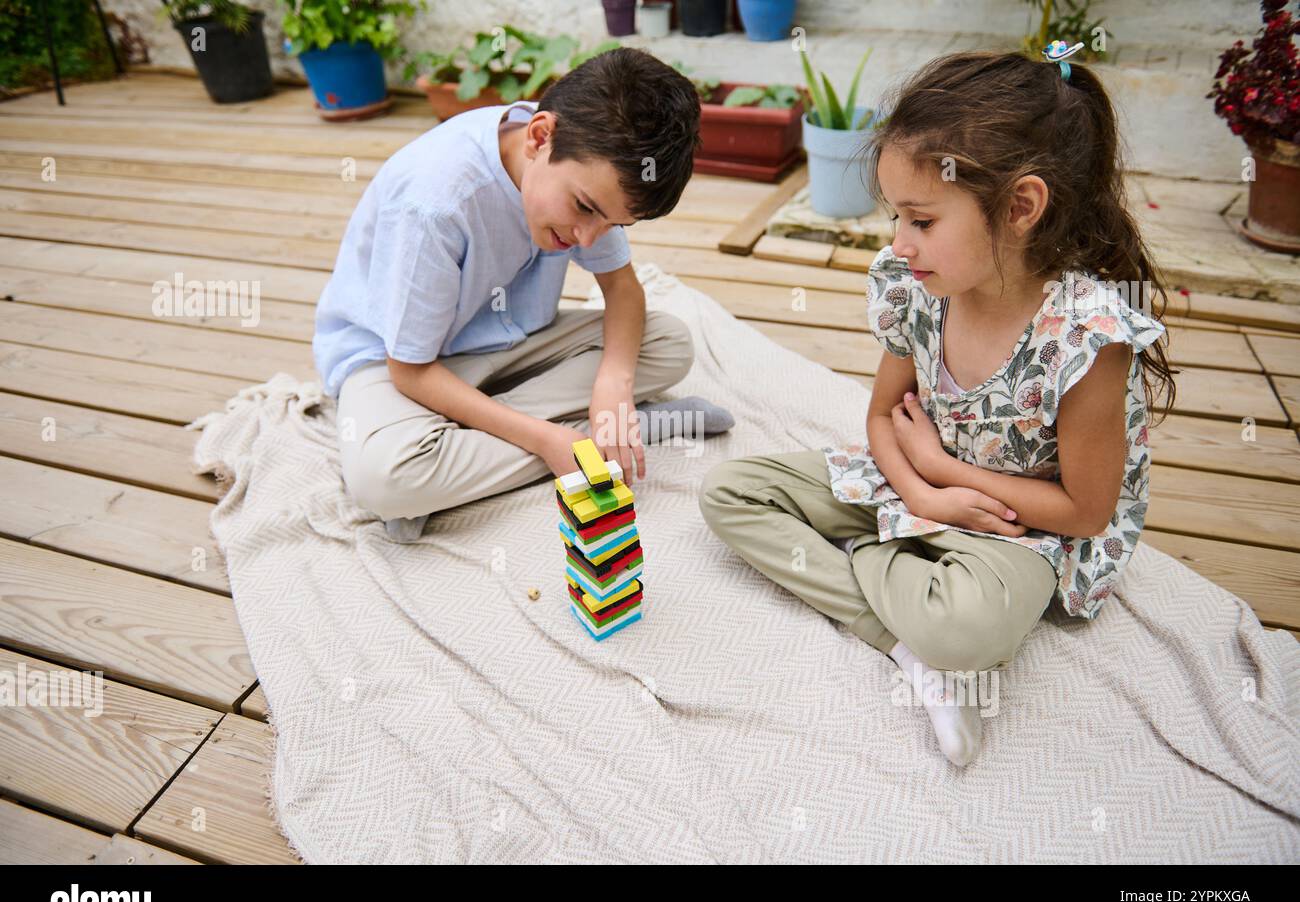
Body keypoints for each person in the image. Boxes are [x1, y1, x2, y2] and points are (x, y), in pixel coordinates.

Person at [699, 49, 1177, 767]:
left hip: (1014, 533)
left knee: (965, 632)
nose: (899, 242)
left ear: (1020, 208)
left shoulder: (1087, 337)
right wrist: (922, 487)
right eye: (897, 216)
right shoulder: (919, 285)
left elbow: (1085, 512)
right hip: (911, 487)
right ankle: (903, 641)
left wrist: (946, 479)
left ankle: (889, 585)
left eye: (921, 219)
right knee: (729, 493)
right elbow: (881, 418)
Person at [314, 48, 733, 542]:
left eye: (612, 223)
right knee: (384, 479)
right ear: (540, 137)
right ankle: (588, 438)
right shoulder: (434, 203)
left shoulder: (586, 156)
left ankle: (468, 464)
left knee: (669, 342)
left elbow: (621, 287)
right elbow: (409, 368)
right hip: (397, 364)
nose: (588, 238)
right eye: (584, 208)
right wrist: (546, 439)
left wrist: (613, 387)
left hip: (508, 342)